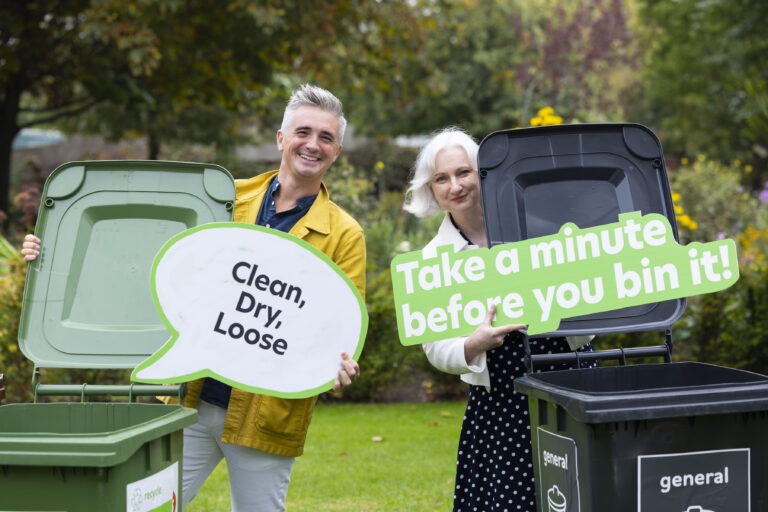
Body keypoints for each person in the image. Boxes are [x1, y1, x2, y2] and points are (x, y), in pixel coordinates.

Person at [22, 84, 365, 512]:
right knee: (144, 507)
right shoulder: (222, 200)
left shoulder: (344, 234)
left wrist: (339, 362)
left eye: (326, 137)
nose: (313, 144)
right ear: (281, 138)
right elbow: (141, 254)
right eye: (303, 132)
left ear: (338, 151)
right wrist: (49, 248)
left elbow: (340, 325)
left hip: (267, 416)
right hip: (189, 398)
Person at [403, 126, 593, 511]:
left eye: (463, 172)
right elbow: (436, 347)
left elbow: (591, 290)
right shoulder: (431, 262)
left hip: (571, 377)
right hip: (503, 400)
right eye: (442, 178)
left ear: (483, 173)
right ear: (431, 189)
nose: (455, 185)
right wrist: (474, 344)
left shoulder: (539, 225)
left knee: (583, 491)